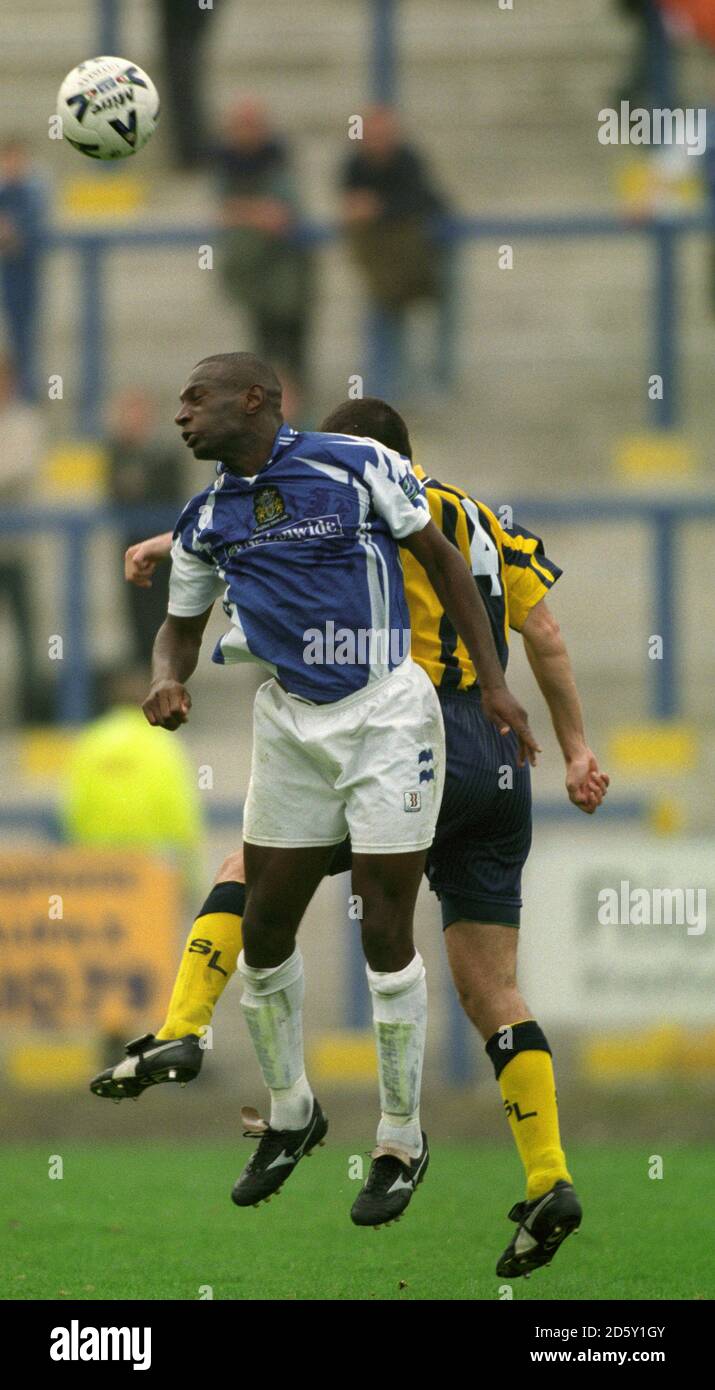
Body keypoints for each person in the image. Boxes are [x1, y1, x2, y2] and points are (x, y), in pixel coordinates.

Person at [92, 392, 608, 1276]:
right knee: (492, 990)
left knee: (248, 871)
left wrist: (173, 548)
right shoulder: (479, 516)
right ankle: (547, 1175)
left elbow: (270, 546)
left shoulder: (352, 501)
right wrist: (575, 748)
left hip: (405, 733)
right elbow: (547, 633)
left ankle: (187, 1028)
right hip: (498, 761)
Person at [216, 99, 313, 406]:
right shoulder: (226, 164)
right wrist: (258, 213)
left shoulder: (278, 162)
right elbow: (226, 211)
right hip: (253, 277)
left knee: (290, 347)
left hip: (286, 278)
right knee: (263, 351)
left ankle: (295, 409)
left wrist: (245, 212)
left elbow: (281, 216)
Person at [106, 388, 186, 668]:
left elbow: (170, 497)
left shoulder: (165, 456)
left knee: (161, 613)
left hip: (162, 551)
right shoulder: (115, 454)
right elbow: (114, 495)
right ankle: (144, 671)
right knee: (136, 616)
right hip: (132, 547)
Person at [0, 353, 46, 720]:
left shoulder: (25, 422)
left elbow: (14, 470)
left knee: (28, 636)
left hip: (14, 552)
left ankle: (33, 714)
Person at [0, 139, 47, 402]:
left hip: (25, 278)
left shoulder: (32, 195)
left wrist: (14, 232)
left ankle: (27, 393)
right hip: (7, 277)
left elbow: (31, 231)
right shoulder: (4, 194)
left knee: (26, 337)